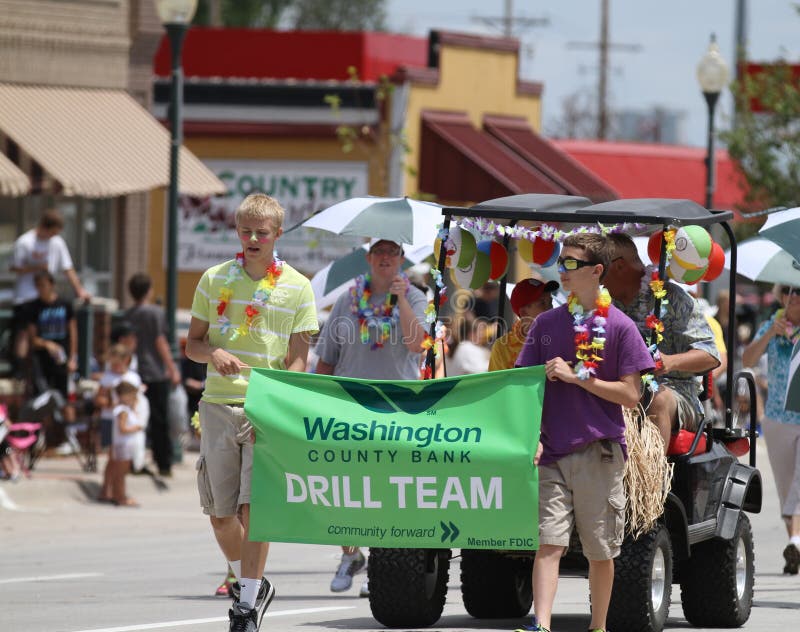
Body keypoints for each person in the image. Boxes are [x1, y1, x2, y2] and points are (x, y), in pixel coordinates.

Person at [186, 193, 318, 632]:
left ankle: (244, 604)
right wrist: (215, 353)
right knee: (221, 516)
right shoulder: (213, 279)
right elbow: (193, 345)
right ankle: (254, 583)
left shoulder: (298, 286)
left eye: (263, 232)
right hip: (219, 405)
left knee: (252, 510)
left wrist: (280, 409)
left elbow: (299, 363)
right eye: (246, 231)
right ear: (237, 232)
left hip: (265, 408)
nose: (254, 239)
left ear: (278, 234)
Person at [514, 233, 654, 632]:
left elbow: (630, 395)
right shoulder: (545, 324)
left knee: (600, 552)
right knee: (548, 544)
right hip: (553, 452)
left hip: (600, 452)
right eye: (561, 260)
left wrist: (580, 378)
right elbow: (527, 387)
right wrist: (533, 437)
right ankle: (541, 624)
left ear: (596, 271)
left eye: (572, 263)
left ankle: (598, 626)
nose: (563, 268)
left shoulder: (622, 327)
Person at [315, 237, 428, 597]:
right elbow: (327, 359)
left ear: (401, 261)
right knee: (348, 487)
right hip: (350, 406)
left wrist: (400, 299)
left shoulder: (414, 297)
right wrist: (315, 403)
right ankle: (350, 555)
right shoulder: (348, 300)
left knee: (389, 490)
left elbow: (416, 344)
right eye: (378, 252)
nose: (384, 258)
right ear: (368, 258)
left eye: (392, 253)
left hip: (398, 408)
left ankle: (381, 566)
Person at [604, 233, 720, 452]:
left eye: (600, 266)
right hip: (619, 386)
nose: (596, 274)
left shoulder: (672, 297)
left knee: (657, 399)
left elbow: (710, 355)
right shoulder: (601, 303)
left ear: (619, 266)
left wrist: (669, 362)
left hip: (675, 391)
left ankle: (650, 484)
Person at [742, 284, 800, 575]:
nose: (795, 297)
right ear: (782, 296)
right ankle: (795, 541)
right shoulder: (771, 324)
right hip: (777, 418)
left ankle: (796, 540)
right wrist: (769, 334)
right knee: (786, 485)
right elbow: (747, 361)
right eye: (790, 291)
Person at [10, 209, 90, 372]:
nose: (53, 237)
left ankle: (55, 367)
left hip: (48, 298)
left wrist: (79, 290)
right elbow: (14, 268)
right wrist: (37, 267)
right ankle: (20, 370)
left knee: (52, 334)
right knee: (25, 334)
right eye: (52, 232)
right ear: (44, 227)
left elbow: (68, 268)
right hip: (26, 297)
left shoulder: (57, 242)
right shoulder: (25, 241)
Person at [125, 273, 181, 477]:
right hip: (155, 372)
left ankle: (133, 461)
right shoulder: (155, 313)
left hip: (135, 372)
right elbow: (160, 341)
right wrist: (172, 368)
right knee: (159, 420)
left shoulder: (129, 314)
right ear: (148, 290)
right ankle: (164, 463)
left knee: (135, 418)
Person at [96, 344, 146, 502]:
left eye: (118, 363)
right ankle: (108, 490)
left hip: (127, 421)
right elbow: (99, 399)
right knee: (113, 457)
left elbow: (137, 400)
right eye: (112, 364)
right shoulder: (107, 377)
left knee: (122, 458)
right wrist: (113, 404)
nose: (115, 367)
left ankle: (114, 491)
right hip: (111, 419)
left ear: (127, 360)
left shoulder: (133, 378)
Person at [26, 271, 77, 427]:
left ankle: (69, 436)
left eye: (43, 285)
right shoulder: (33, 307)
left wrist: (73, 358)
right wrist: (47, 344)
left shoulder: (65, 304)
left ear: (52, 284)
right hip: (42, 362)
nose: (41, 288)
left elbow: (73, 333)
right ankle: (46, 439)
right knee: (43, 400)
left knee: (65, 399)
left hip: (62, 360)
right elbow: (32, 339)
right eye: (38, 285)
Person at [488, 278, 558, 371]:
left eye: (550, 302)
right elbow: (496, 384)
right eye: (542, 303)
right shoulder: (502, 348)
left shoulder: (562, 336)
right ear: (524, 312)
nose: (551, 308)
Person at [108, 381, 145, 507]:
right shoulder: (123, 411)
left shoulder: (125, 409)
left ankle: (118, 495)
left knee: (121, 473)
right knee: (121, 474)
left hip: (125, 446)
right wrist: (136, 428)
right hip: (123, 446)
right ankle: (120, 497)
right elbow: (122, 428)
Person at [447, 309, 492, 376]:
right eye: (480, 332)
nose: (482, 335)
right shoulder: (465, 347)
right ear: (471, 334)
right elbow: (479, 370)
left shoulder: (472, 347)